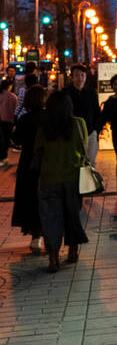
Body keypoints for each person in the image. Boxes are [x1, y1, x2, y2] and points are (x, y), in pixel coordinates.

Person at [32, 91, 88, 273]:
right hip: (72, 179)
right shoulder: (78, 124)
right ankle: (72, 252)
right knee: (71, 215)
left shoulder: (44, 128)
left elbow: (37, 152)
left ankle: (53, 258)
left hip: (48, 179)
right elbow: (84, 148)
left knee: (50, 219)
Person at [11, 84, 46, 252]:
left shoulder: (24, 120)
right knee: (46, 198)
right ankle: (49, 235)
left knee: (30, 198)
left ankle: (35, 237)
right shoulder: (49, 118)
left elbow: (16, 140)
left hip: (27, 163)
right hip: (47, 163)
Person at [67, 63, 100, 164]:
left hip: (90, 133)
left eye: (82, 75)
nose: (80, 78)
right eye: (76, 75)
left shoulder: (91, 93)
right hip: (72, 134)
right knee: (74, 162)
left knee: (90, 162)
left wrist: (96, 130)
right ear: (72, 77)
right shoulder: (66, 93)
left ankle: (88, 180)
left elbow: (96, 112)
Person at [0, 77, 18, 165]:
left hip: (1, 119)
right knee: (6, 139)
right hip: (9, 120)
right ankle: (4, 157)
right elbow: (16, 109)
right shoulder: (13, 97)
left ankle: (2, 157)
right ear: (9, 87)